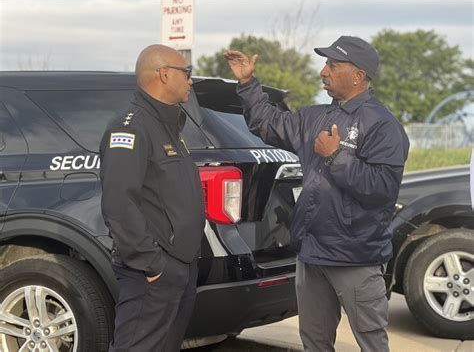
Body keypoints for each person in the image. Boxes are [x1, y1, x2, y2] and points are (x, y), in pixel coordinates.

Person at [224, 36, 409, 352]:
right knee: (314, 342)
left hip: (356, 258)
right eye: (325, 64)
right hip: (312, 254)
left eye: (333, 65)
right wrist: (248, 83)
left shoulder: (383, 125)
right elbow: (267, 123)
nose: (323, 71)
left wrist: (336, 157)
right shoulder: (316, 117)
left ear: (358, 74)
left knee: (371, 343)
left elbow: (381, 190)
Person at [100, 44, 205, 352]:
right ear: (163, 74)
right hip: (152, 271)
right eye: (186, 73)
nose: (190, 80)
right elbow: (119, 204)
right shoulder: (130, 128)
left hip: (180, 266)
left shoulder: (169, 127)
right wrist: (152, 264)